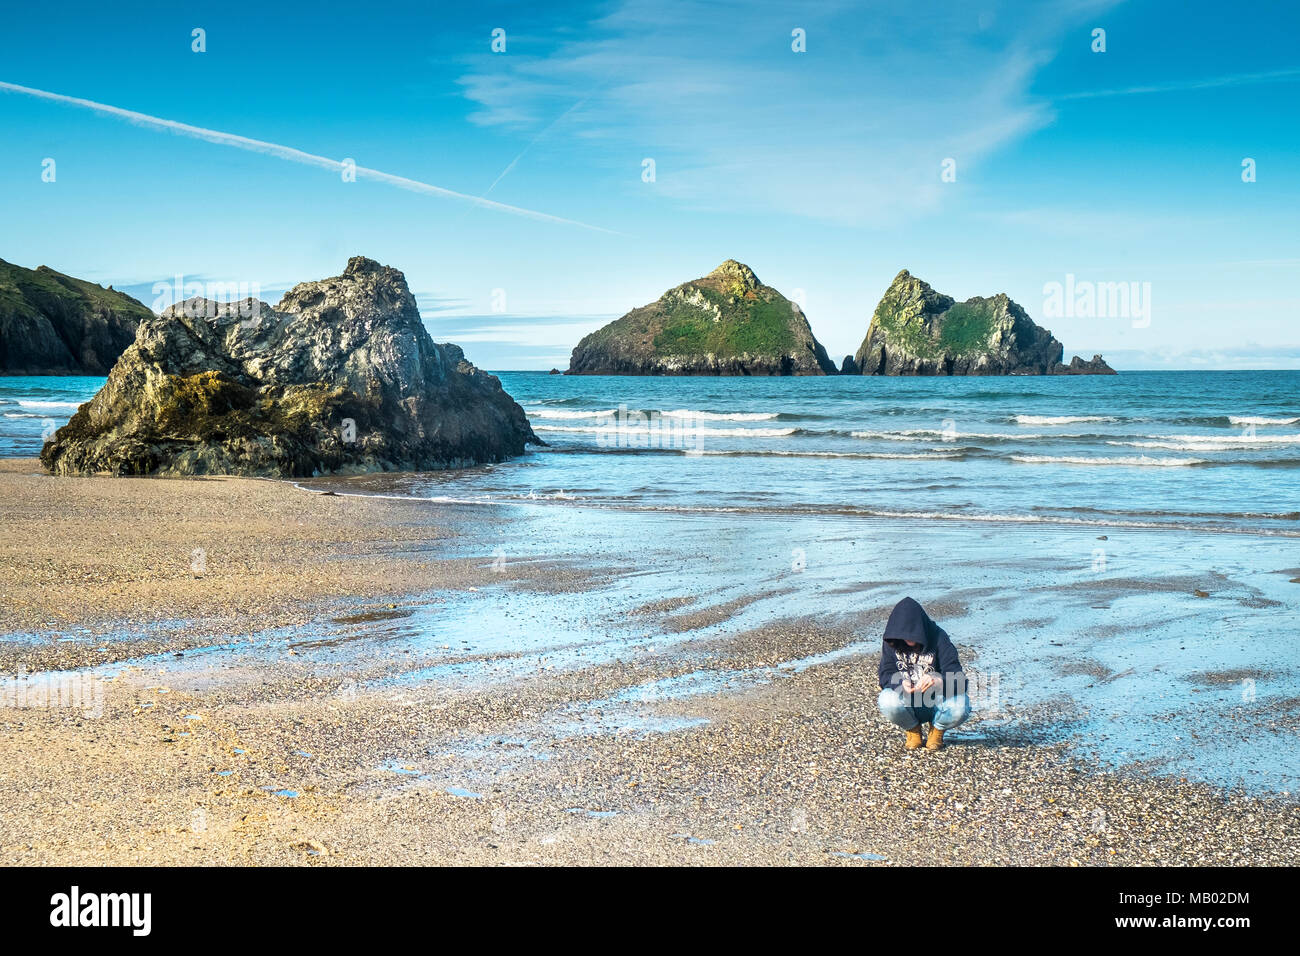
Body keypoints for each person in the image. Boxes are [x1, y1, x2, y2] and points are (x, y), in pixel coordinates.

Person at [877, 596, 971, 750]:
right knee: (886, 700)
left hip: (938, 702)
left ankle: (937, 729)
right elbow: (885, 674)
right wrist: (900, 683)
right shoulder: (892, 641)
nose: (909, 640)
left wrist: (939, 680)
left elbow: (961, 681)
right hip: (910, 702)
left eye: (913, 634)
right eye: (904, 636)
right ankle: (913, 730)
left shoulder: (939, 637)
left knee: (960, 705)